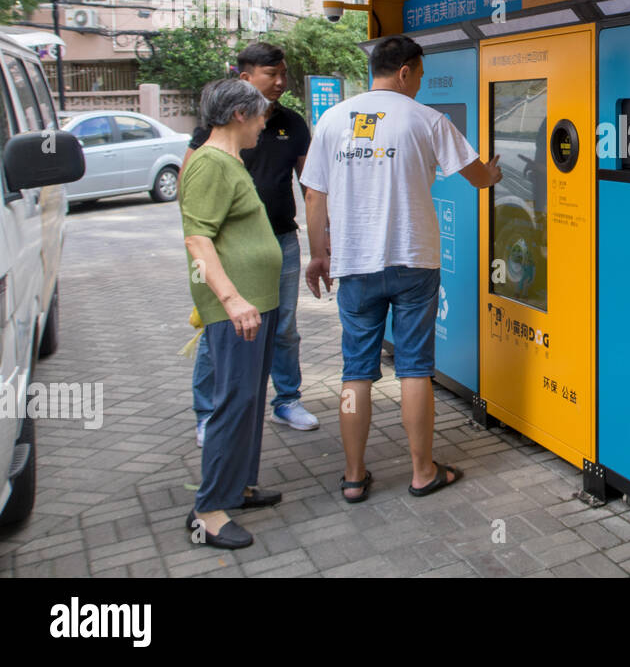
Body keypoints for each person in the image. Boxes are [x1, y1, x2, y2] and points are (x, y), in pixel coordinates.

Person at [301, 35, 500, 504]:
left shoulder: (333, 119)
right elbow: (475, 175)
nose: (420, 85)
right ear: (407, 71)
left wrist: (319, 253)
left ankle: (353, 476)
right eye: (421, 76)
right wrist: (492, 176)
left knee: (356, 373)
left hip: (354, 264)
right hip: (414, 261)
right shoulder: (426, 119)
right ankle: (422, 471)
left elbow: (314, 194)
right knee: (414, 369)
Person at [185, 42, 318, 445]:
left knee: (283, 328)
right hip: (228, 251)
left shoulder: (292, 124)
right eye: (270, 74)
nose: (280, 82)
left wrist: (322, 246)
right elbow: (191, 203)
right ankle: (210, 413)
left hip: (280, 241)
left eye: (284, 74)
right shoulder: (215, 133)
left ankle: (285, 400)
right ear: (245, 79)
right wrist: (208, 256)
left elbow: (310, 186)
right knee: (221, 331)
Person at [180, 79, 284, 550]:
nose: (266, 123)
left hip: (258, 302)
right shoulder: (208, 163)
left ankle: (236, 486)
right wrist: (232, 299)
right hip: (238, 307)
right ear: (240, 115)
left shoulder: (229, 161)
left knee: (248, 400)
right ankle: (208, 510)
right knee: (234, 402)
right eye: (261, 115)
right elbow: (196, 239)